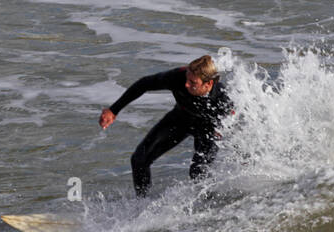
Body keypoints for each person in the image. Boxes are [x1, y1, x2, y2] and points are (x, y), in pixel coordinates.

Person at [100, 55, 234, 196]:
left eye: (193, 82)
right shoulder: (177, 77)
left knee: (198, 173)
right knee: (139, 159)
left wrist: (223, 130)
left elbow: (231, 120)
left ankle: (211, 208)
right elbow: (144, 83)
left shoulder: (221, 96)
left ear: (208, 84)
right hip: (180, 119)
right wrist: (113, 110)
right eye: (187, 78)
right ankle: (141, 203)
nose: (186, 84)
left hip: (208, 128)